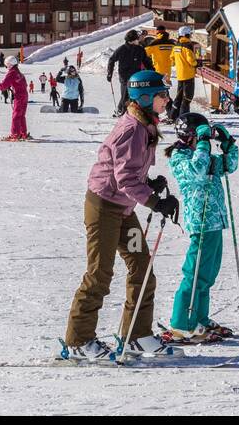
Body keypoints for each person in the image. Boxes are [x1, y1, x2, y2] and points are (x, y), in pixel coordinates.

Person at [62, 70, 180, 360]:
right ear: (144, 97)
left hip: (123, 209)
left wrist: (149, 183)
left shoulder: (145, 125)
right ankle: (78, 339)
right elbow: (124, 178)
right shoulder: (132, 129)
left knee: (142, 267)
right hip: (104, 207)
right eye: (161, 95)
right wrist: (153, 201)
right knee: (100, 273)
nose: (167, 100)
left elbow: (130, 174)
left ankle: (136, 335)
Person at [162, 113, 238, 344]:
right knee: (194, 273)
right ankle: (181, 323)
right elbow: (198, 170)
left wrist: (228, 144)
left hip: (215, 220)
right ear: (191, 136)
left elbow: (228, 166)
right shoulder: (180, 157)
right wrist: (204, 143)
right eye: (201, 135)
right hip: (201, 221)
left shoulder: (200, 153)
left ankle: (199, 318)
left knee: (207, 275)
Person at [107, 29, 154, 116]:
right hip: (125, 76)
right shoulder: (122, 49)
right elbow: (112, 59)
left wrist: (152, 71)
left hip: (136, 76)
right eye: (137, 39)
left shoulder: (140, 49)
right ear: (132, 40)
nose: (138, 40)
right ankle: (124, 114)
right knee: (125, 96)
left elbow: (146, 61)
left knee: (136, 96)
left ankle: (134, 113)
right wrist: (110, 73)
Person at [170, 26, 199, 120]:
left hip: (180, 75)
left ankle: (173, 115)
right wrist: (197, 63)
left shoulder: (176, 46)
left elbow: (172, 58)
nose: (190, 36)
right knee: (187, 97)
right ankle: (184, 117)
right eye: (190, 34)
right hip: (188, 75)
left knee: (178, 96)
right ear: (186, 34)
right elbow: (191, 60)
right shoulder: (187, 46)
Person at [0, 56, 29, 139]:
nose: (6, 67)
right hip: (24, 95)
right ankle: (23, 133)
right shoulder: (19, 72)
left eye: (7, 65)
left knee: (16, 115)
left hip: (19, 96)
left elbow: (4, 85)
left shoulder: (12, 72)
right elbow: (25, 84)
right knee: (21, 115)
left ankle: (15, 134)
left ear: (10, 64)